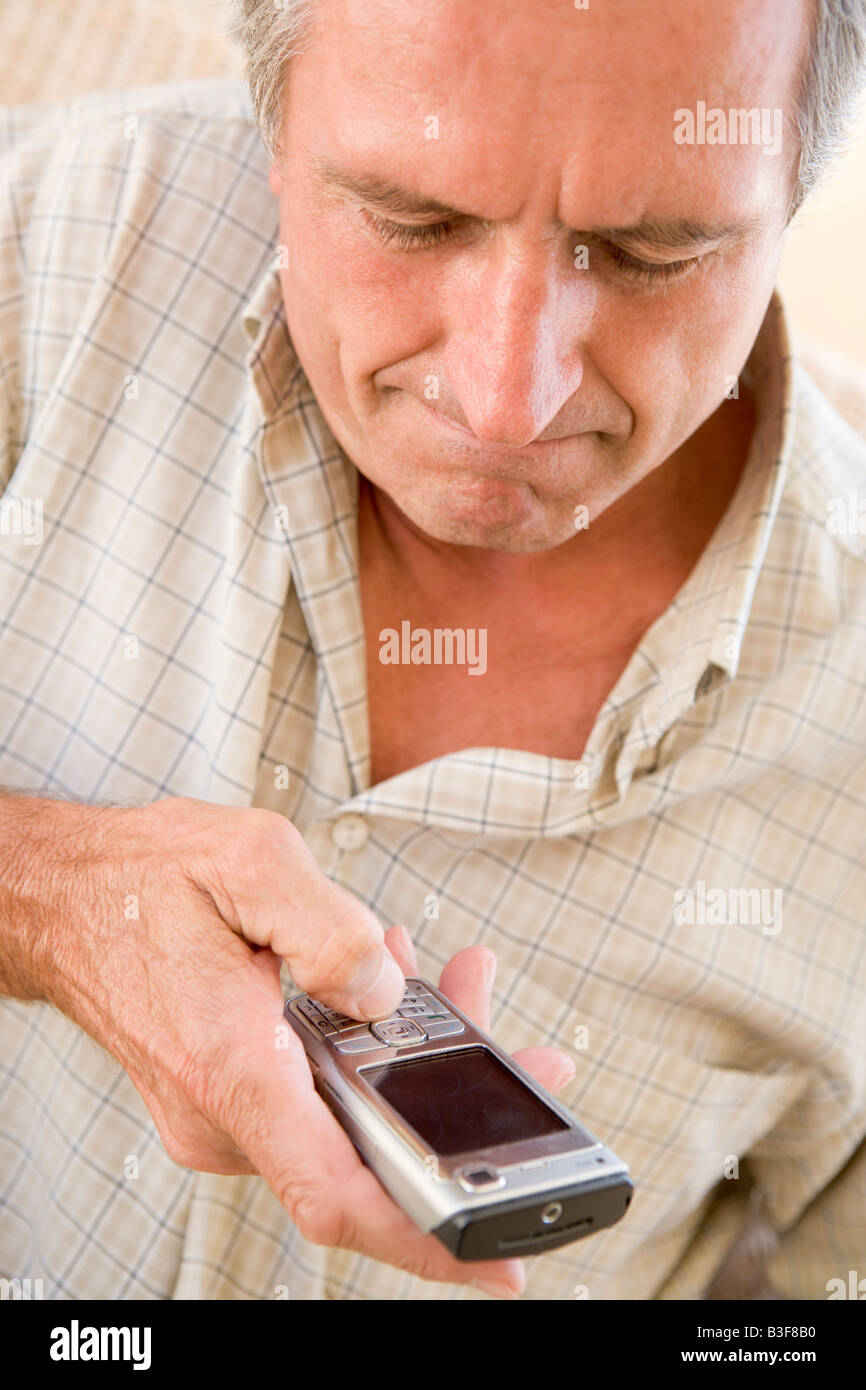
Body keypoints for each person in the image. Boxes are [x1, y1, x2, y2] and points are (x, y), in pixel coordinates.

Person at [0, 0, 864, 1301]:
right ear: (275, 131)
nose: (505, 399)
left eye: (648, 251)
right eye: (410, 220)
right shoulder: (53, 233)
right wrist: (50, 898)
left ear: (791, 196)